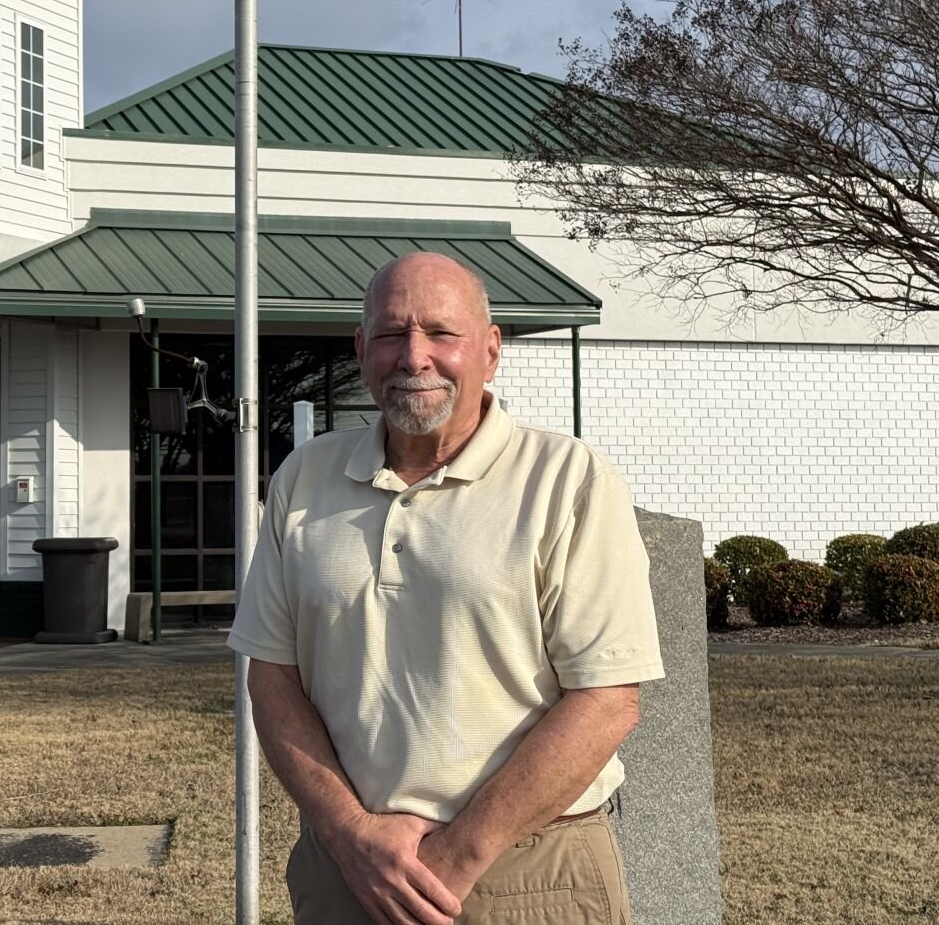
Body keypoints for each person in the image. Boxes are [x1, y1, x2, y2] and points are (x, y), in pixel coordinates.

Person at [228, 252, 664, 925]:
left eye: (441, 332)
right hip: (348, 868)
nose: (414, 355)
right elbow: (272, 674)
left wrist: (455, 856)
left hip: (529, 869)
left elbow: (607, 700)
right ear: (360, 349)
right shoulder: (302, 480)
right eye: (390, 333)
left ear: (490, 351)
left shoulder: (570, 481)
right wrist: (349, 832)